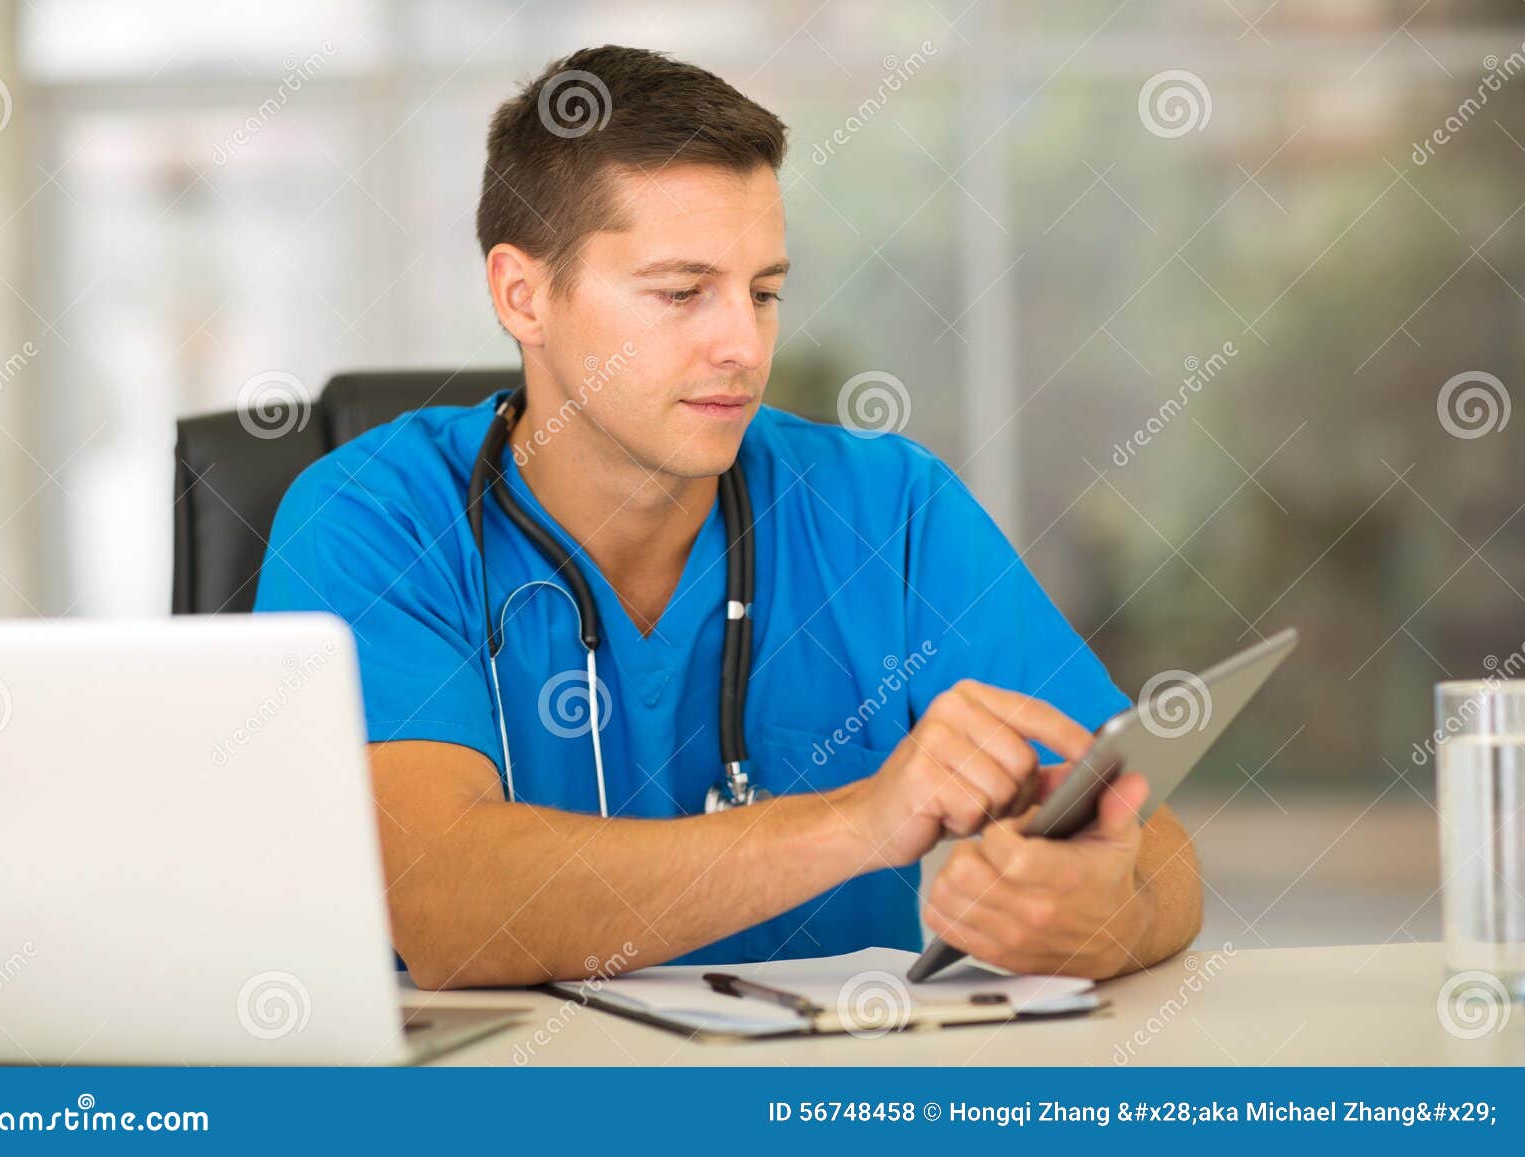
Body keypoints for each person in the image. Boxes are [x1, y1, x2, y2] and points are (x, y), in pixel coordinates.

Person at [254, 44, 1202, 989]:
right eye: (681, 293)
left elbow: (1149, 839)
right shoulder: (370, 521)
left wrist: (1104, 916)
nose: (743, 346)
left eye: (764, 292)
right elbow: (447, 907)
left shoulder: (889, 509)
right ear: (523, 294)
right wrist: (862, 819)